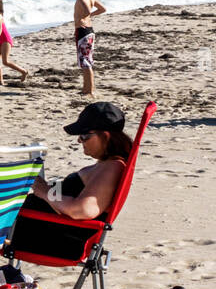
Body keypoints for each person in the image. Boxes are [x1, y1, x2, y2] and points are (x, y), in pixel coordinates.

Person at [7, 102, 131, 259]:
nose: (79, 141)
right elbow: (72, 196)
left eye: (84, 136)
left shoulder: (111, 168)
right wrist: (51, 186)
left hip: (51, 235)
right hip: (45, 224)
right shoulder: (108, 164)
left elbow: (82, 210)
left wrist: (45, 192)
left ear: (105, 136)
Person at [68, 0, 106, 97]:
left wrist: (81, 20)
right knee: (87, 60)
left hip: (83, 32)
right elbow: (102, 9)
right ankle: (87, 88)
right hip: (89, 30)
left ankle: (89, 91)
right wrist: (88, 17)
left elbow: (87, 11)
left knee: (85, 62)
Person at [0, 0, 29, 85]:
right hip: (0, 40)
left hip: (5, 39)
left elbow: (0, 30)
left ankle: (24, 71)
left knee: (5, 61)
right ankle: (0, 81)